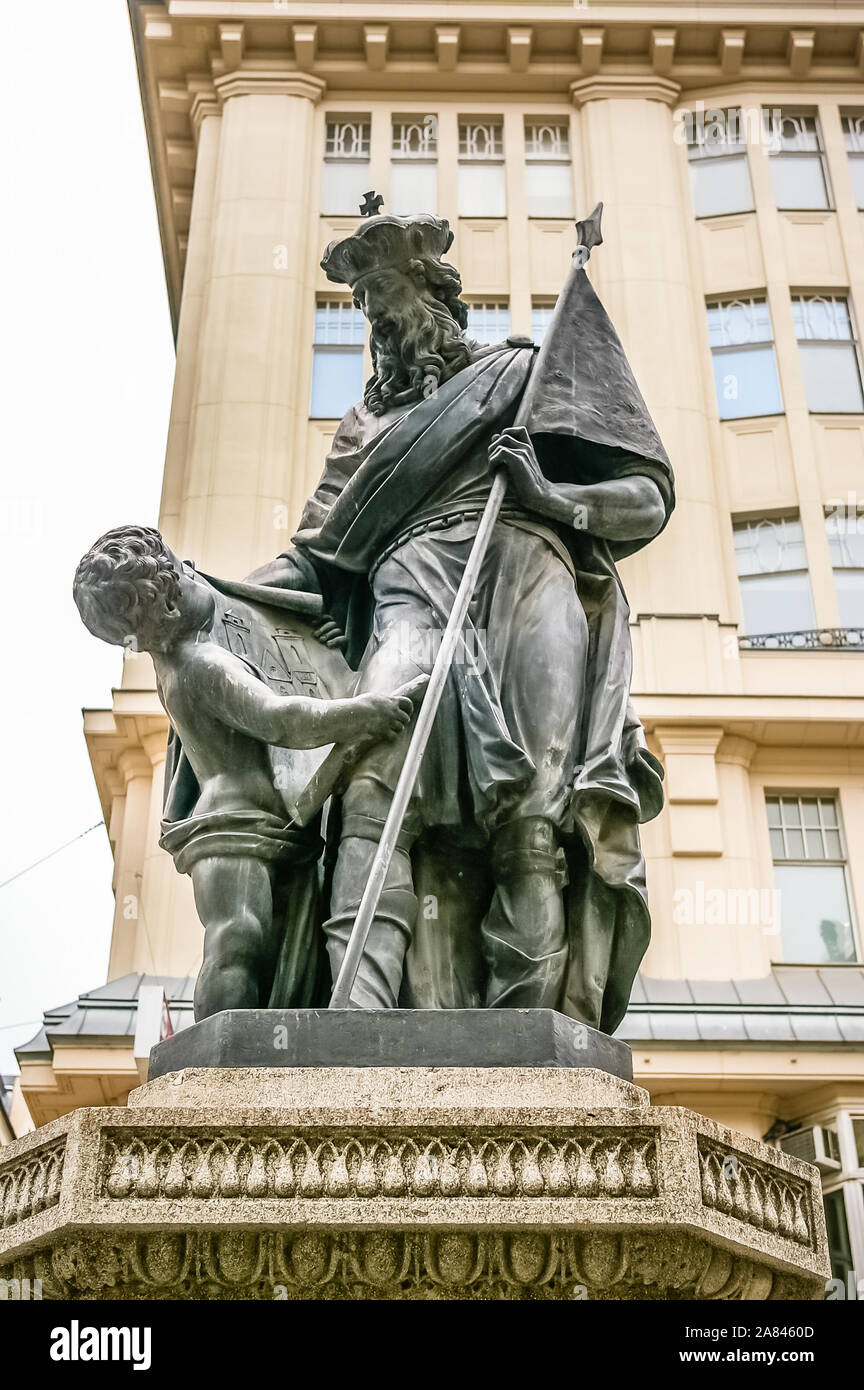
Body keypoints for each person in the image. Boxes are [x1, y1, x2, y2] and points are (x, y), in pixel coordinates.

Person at [246, 209, 675, 1033]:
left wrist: (553, 497)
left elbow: (645, 497)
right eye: (367, 306)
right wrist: (211, 601)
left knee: (533, 822)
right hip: (410, 589)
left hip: (526, 575)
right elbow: (314, 554)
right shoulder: (364, 428)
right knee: (370, 781)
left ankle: (529, 1037)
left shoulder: (525, 376)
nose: (378, 321)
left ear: (438, 297)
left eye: (389, 297)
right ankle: (358, 1023)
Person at [73, 524, 413, 1019]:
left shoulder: (204, 603)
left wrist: (325, 642)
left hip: (283, 825)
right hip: (232, 826)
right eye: (179, 589)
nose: (193, 583)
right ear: (159, 613)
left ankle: (256, 1060)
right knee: (239, 940)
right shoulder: (196, 664)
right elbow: (281, 719)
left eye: (183, 575)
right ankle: (215, 1070)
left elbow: (283, 642)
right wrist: (369, 711)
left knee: (282, 963)